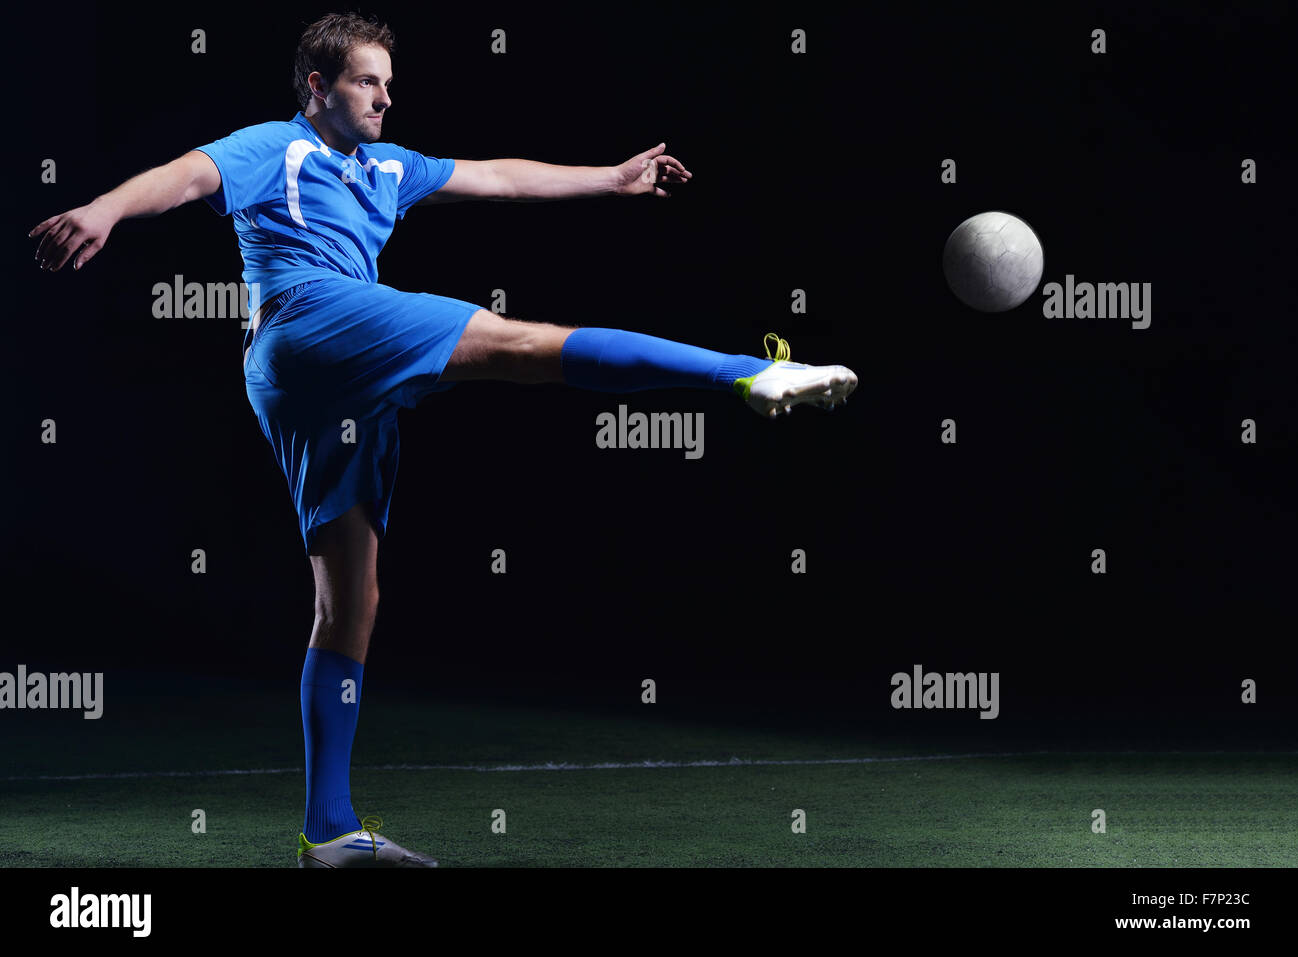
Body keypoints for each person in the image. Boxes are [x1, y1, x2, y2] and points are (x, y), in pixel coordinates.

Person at [29, 12, 857, 867]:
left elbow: (500, 177)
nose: (385, 96)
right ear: (318, 87)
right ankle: (747, 374)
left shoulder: (390, 165)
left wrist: (612, 179)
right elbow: (185, 175)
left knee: (349, 601)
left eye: (388, 82)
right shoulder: (275, 145)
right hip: (310, 318)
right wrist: (105, 208)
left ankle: (330, 831)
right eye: (366, 81)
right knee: (519, 344)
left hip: (305, 378)